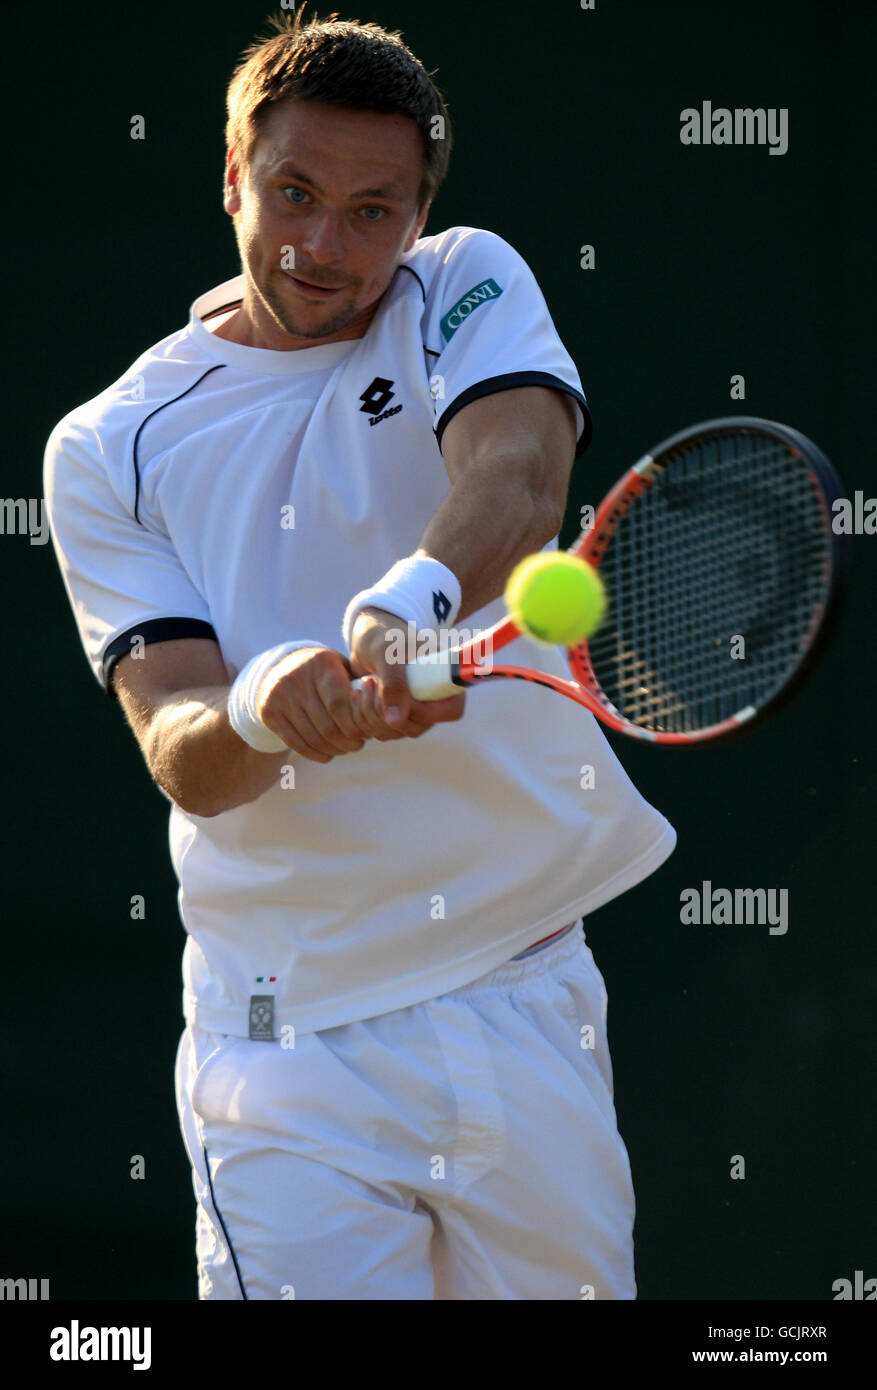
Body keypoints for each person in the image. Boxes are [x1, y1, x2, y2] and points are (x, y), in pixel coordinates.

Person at [44, 7, 676, 1300]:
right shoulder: (105, 447)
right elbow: (184, 748)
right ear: (231, 178)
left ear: (420, 211)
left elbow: (518, 470)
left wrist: (417, 594)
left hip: (522, 994)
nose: (326, 245)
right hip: (285, 1039)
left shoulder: (466, 284)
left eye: (373, 210)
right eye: (292, 194)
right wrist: (264, 710)